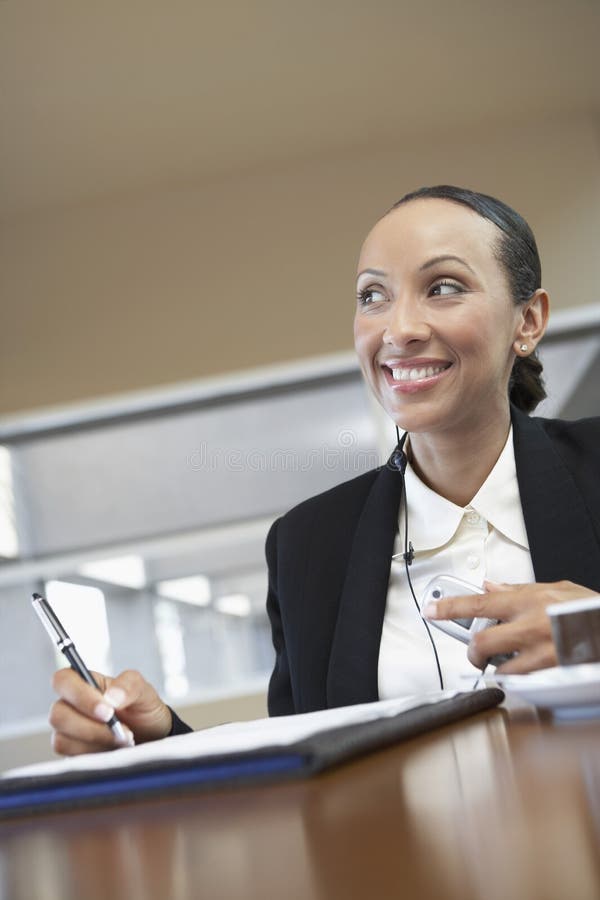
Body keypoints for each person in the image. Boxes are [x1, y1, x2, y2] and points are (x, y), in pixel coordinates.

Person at [49, 185, 600, 753]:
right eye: (373, 296)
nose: (399, 329)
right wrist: (155, 739)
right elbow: (306, 767)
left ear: (528, 321)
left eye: (443, 287)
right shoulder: (308, 547)